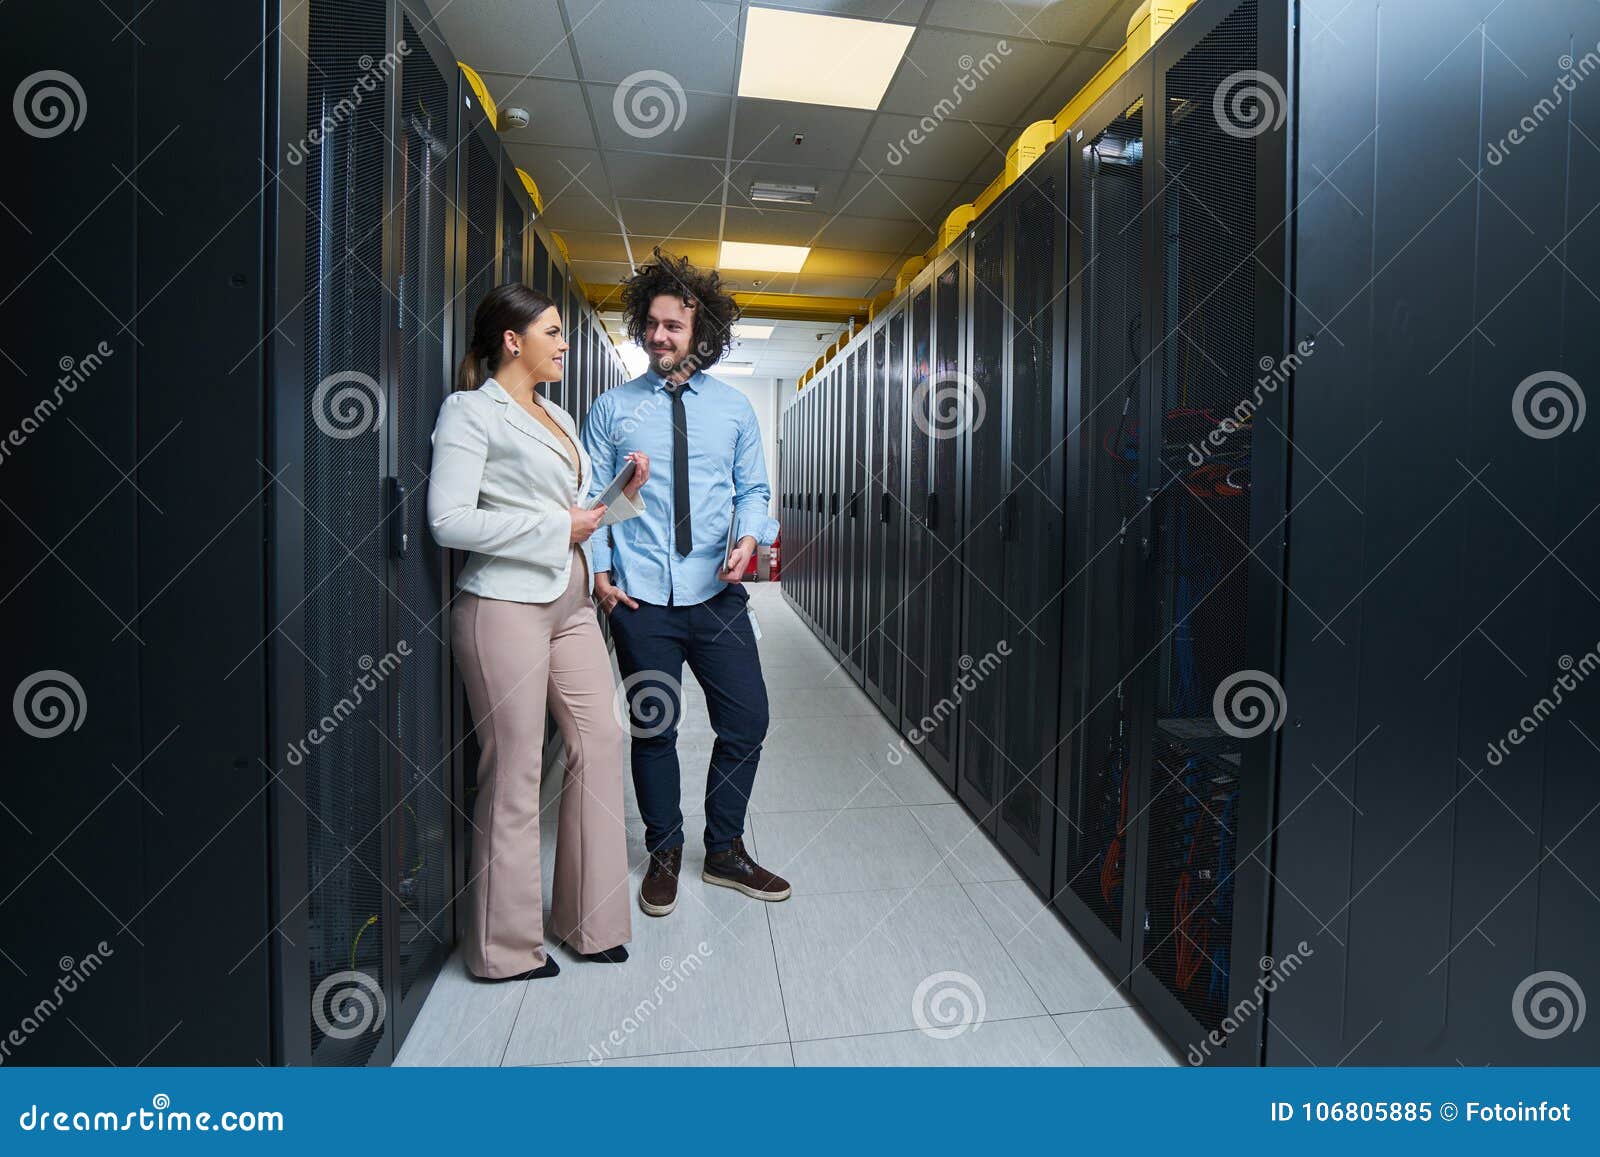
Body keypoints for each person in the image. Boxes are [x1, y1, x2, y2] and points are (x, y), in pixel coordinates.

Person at [427, 283, 650, 981]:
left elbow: (571, 510)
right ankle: (502, 950)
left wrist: (617, 496)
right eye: (553, 331)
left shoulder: (555, 413)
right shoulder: (470, 412)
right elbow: (449, 520)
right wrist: (562, 526)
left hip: (573, 600)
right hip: (505, 606)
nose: (564, 342)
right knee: (517, 768)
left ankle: (591, 920)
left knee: (602, 740)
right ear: (512, 340)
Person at [580, 250, 789, 918]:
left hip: (717, 593)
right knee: (655, 729)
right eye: (653, 324)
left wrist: (753, 537)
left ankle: (724, 847)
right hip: (640, 597)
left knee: (747, 720)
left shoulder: (731, 411)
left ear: (703, 335)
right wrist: (604, 572)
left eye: (675, 326)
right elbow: (592, 500)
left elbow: (754, 490)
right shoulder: (613, 410)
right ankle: (665, 848)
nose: (661, 336)